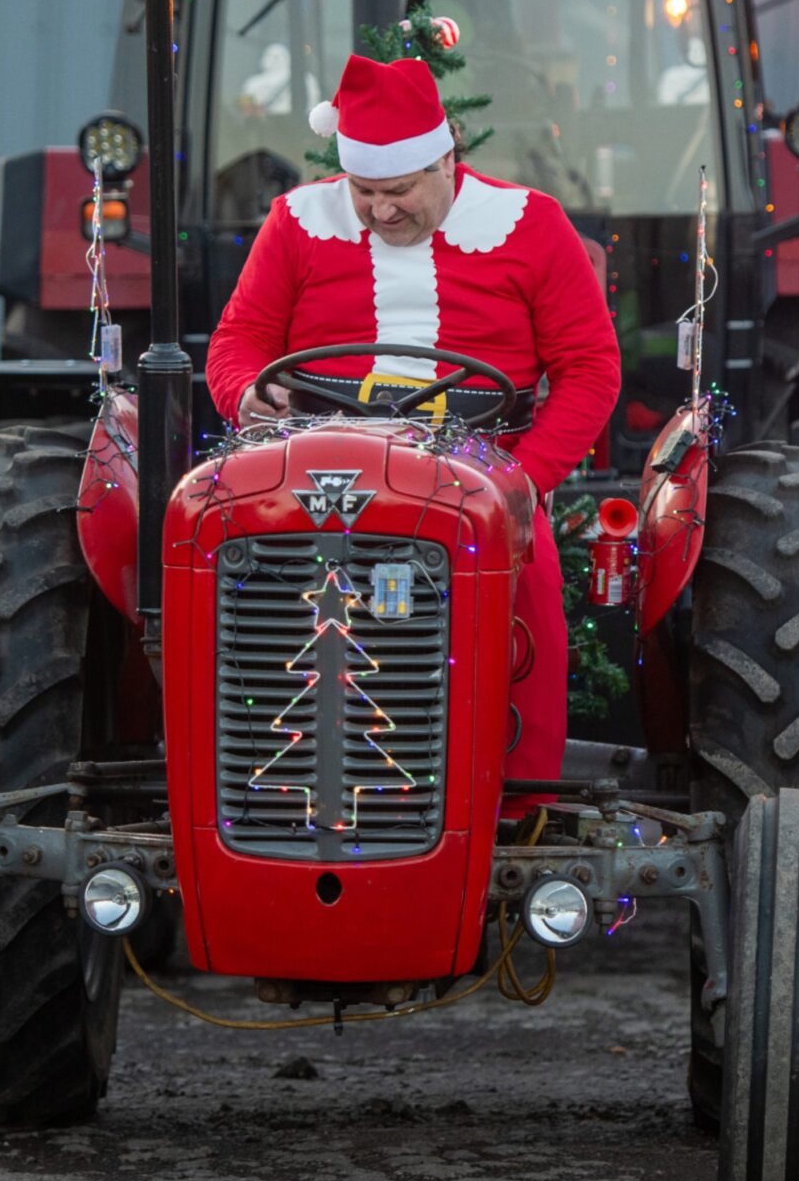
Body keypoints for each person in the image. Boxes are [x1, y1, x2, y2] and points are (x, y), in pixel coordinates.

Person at [205, 54, 621, 795]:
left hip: (484, 470)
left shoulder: (530, 227)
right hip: (313, 468)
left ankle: (518, 805)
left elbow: (591, 369)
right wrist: (246, 394)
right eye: (364, 192)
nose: (382, 211)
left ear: (446, 162)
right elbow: (238, 343)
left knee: (533, 621)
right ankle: (255, 786)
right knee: (235, 604)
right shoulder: (297, 223)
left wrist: (526, 483)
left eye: (399, 191)